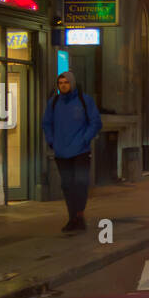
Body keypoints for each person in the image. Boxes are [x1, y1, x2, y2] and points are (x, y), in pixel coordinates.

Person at [42, 70, 102, 233]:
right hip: (61, 151)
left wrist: (85, 138)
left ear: (72, 83)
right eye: (60, 83)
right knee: (67, 185)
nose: (63, 86)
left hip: (81, 151)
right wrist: (51, 140)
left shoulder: (84, 101)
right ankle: (73, 218)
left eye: (66, 83)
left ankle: (79, 215)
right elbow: (46, 123)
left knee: (80, 183)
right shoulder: (53, 102)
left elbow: (95, 122)